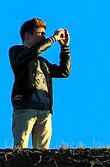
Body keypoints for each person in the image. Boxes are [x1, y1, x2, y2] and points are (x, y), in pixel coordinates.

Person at [9, 17, 71, 149]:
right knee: (21, 149)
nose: (44, 37)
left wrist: (65, 48)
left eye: (44, 34)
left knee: (43, 154)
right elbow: (34, 51)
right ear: (27, 35)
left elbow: (64, 72)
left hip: (45, 111)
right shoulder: (16, 52)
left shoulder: (43, 63)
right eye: (40, 34)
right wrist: (53, 39)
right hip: (25, 108)